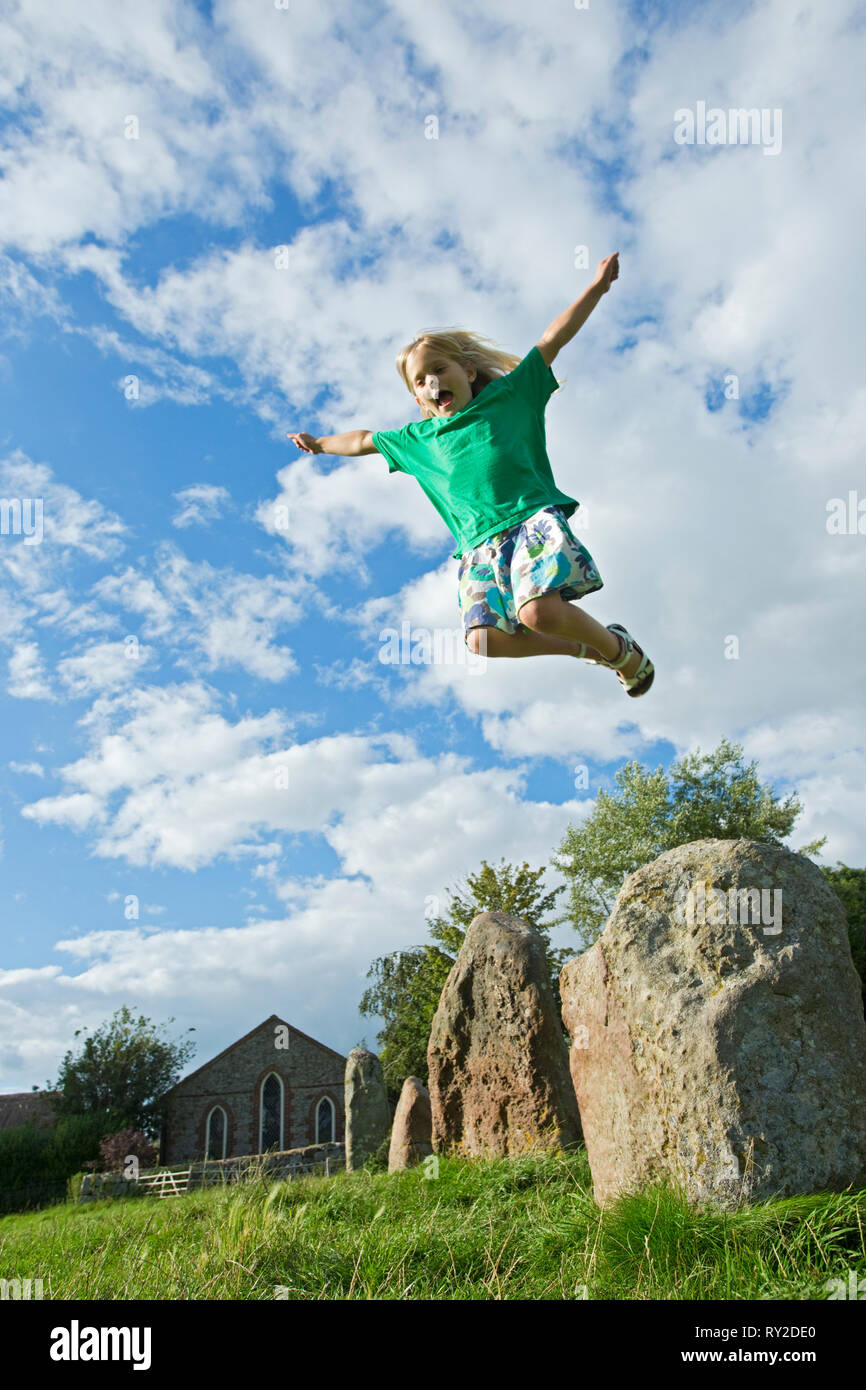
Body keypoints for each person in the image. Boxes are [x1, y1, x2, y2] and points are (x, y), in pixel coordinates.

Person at [288, 252, 653, 696]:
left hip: (529, 522)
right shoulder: (417, 440)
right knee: (483, 640)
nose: (432, 383)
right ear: (419, 399)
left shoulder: (511, 396)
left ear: (468, 371)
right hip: (477, 548)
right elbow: (363, 439)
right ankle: (589, 650)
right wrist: (321, 444)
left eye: (439, 370)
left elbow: (552, 340)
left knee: (538, 613)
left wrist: (595, 288)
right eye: (421, 381)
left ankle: (619, 650)